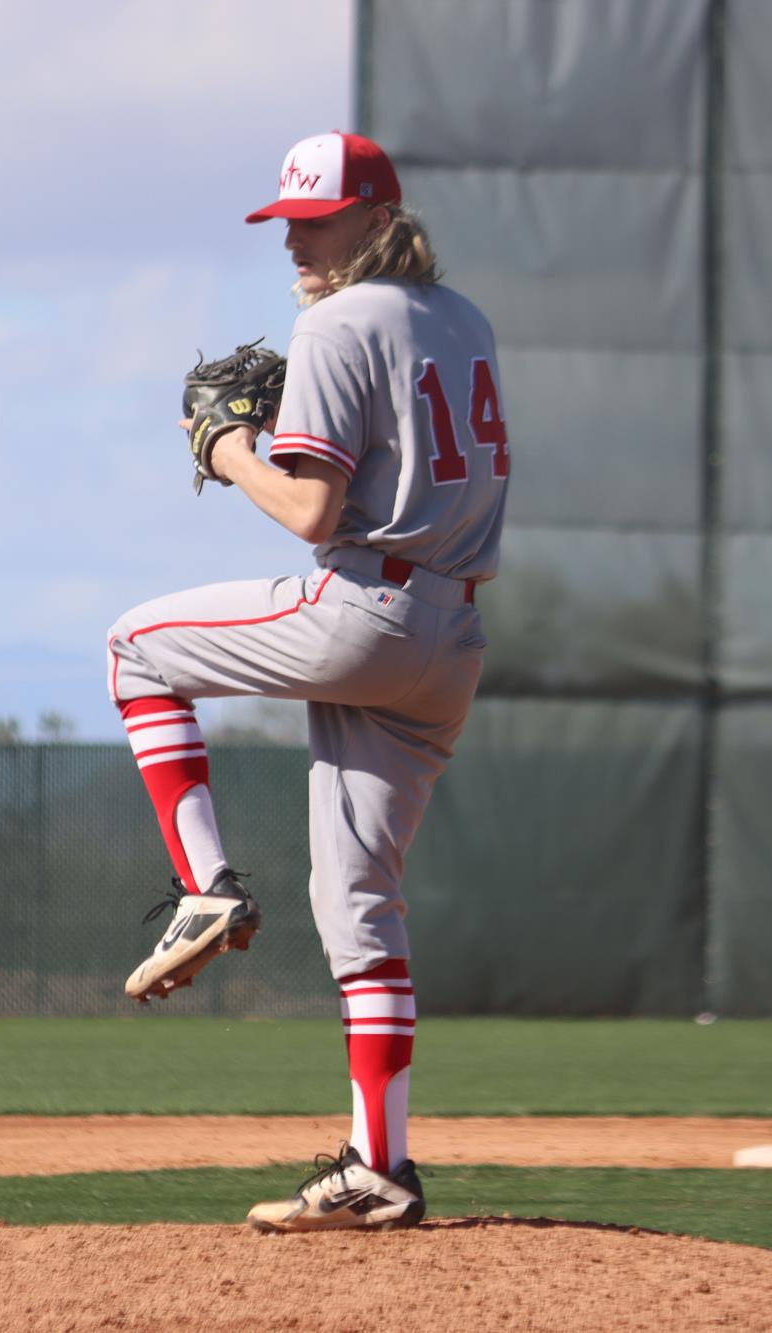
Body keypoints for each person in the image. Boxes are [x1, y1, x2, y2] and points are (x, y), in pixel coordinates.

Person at [104, 130, 507, 1231]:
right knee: (356, 900)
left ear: (375, 219)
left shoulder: (334, 320)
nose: (295, 240)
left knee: (133, 646)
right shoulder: (462, 318)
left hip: (364, 609)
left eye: (316, 219)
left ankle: (206, 885)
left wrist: (226, 443)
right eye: (285, 221)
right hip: (451, 638)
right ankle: (380, 1165)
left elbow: (310, 512)